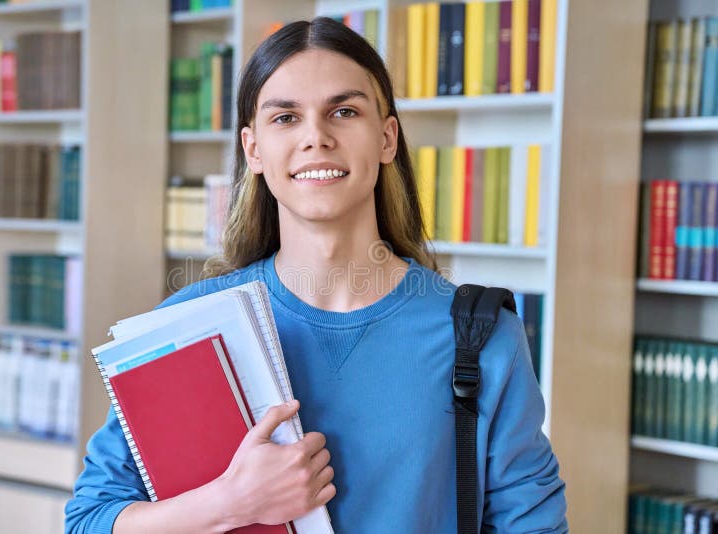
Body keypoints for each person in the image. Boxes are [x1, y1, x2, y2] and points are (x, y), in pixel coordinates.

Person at [65, 17, 568, 534]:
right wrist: (230, 503)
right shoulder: (187, 327)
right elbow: (88, 521)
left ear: (387, 138)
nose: (316, 138)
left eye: (344, 112)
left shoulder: (481, 337)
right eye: (285, 118)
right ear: (253, 149)